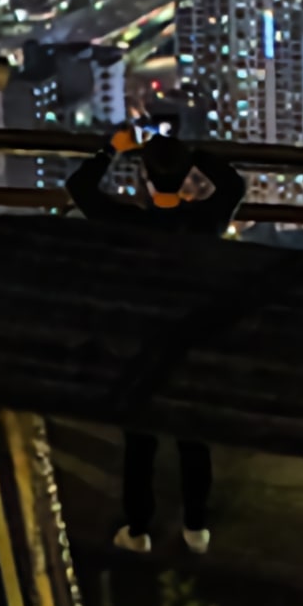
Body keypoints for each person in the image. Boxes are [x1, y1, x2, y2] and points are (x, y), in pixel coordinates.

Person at [68, 123, 246, 557]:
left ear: (144, 178)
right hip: (190, 343)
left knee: (140, 443)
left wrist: (113, 149)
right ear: (187, 177)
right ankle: (195, 526)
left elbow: (80, 186)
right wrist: (191, 153)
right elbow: (233, 183)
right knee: (193, 437)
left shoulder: (127, 223)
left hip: (140, 343)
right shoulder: (206, 220)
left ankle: (138, 528)